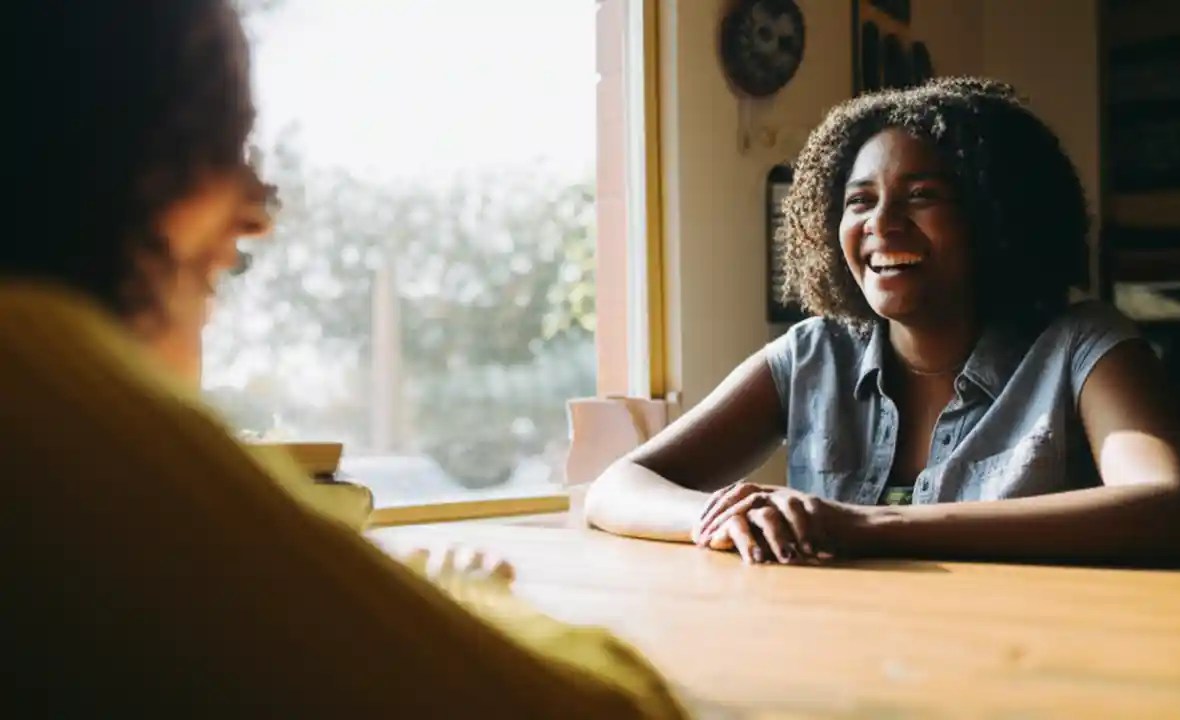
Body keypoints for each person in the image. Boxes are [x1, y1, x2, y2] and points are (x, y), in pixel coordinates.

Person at [3, 1, 685, 716]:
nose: (259, 207)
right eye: (217, 132)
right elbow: (616, 711)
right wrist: (466, 603)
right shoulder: (53, 401)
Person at [585, 78, 1180, 568]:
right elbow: (615, 487)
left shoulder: (1083, 345)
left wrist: (867, 527)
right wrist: (728, 515)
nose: (881, 225)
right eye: (860, 201)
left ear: (994, 217)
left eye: (922, 196)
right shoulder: (813, 356)